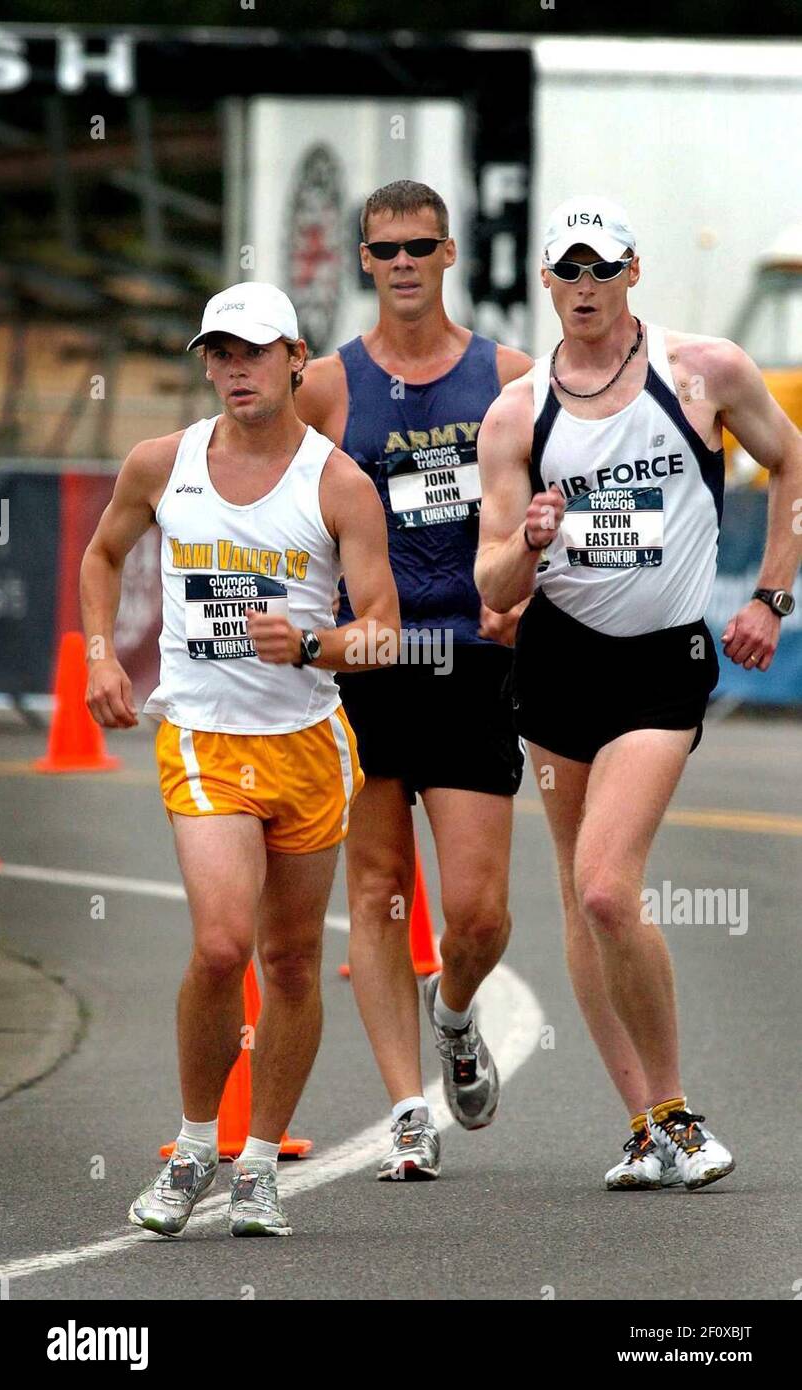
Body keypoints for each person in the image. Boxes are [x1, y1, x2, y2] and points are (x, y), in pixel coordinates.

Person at [475, 195, 802, 1190]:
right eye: (565, 271)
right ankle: (641, 1125)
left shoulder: (703, 371)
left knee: (610, 885)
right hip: (558, 660)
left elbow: (791, 463)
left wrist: (771, 595)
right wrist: (525, 542)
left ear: (632, 273)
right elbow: (490, 587)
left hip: (662, 659)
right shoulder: (515, 412)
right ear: (545, 284)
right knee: (582, 899)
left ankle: (677, 1112)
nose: (582, 287)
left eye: (599, 268)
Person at [81, 281, 399, 1235]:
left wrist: (309, 644)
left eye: (251, 352)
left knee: (292, 960)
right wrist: (100, 652)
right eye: (217, 354)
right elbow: (102, 558)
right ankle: (192, 1149)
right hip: (204, 738)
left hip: (305, 743)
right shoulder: (158, 463)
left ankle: (258, 1161)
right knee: (223, 946)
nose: (233, 370)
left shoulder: (337, 482)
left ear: (295, 357)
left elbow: (383, 633)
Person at [297, 180, 534, 1179]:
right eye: (383, 247)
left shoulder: (512, 376)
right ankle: (406, 1107)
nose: (401, 262)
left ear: (448, 256)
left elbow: (550, 506)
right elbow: (281, 509)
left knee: (477, 913)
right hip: (370, 664)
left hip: (472, 661)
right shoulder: (324, 386)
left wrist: (526, 594)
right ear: (362, 259)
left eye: (419, 246)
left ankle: (454, 1014)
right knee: (382, 890)